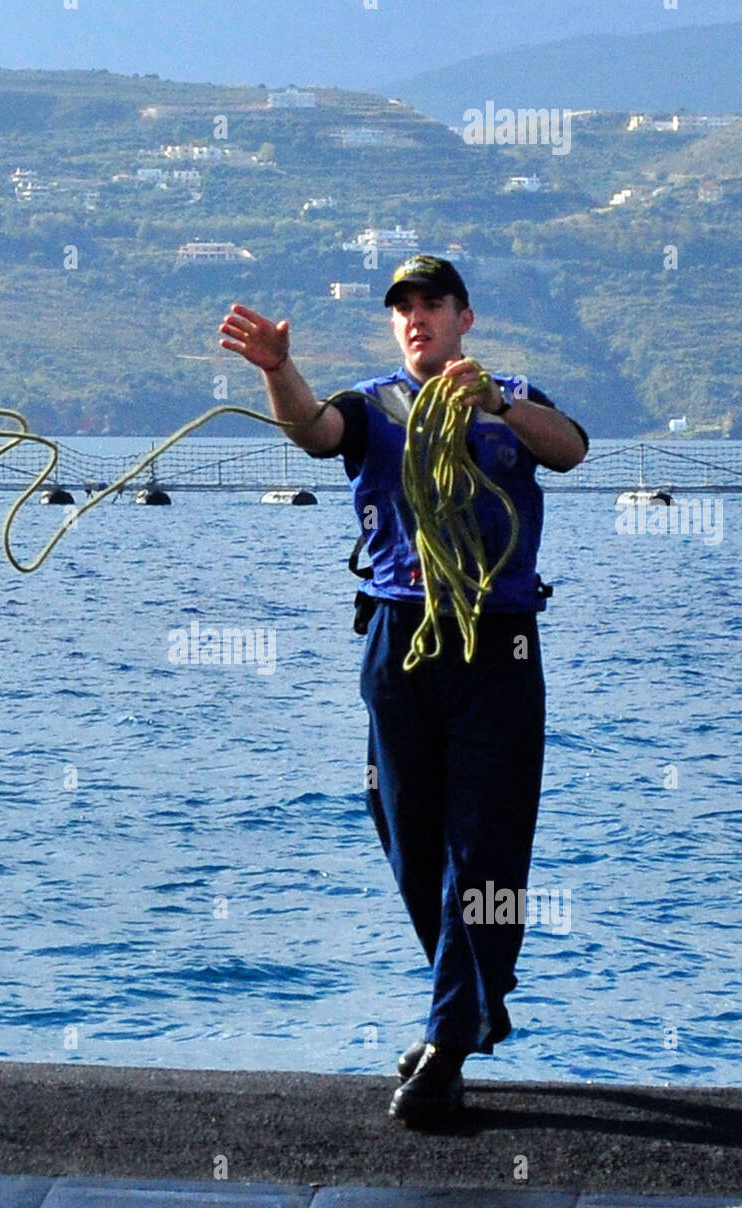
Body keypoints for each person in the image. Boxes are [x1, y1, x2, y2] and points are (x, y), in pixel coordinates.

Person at [219, 255, 588, 1124]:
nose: (416, 318)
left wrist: (497, 405)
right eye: (403, 309)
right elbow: (312, 432)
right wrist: (279, 370)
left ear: (465, 315)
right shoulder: (375, 404)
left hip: (497, 644)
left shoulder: (511, 394)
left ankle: (449, 1042)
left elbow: (570, 451)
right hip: (399, 636)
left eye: (432, 305)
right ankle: (474, 1001)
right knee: (405, 827)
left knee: (485, 843)